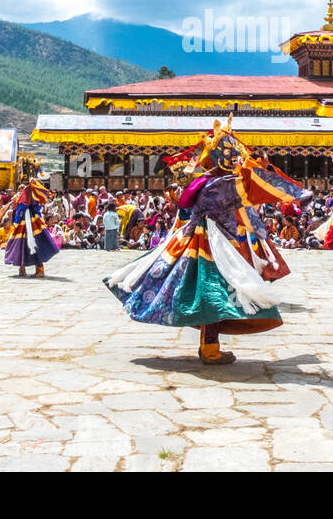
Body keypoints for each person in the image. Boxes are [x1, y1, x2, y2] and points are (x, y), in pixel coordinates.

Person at [105, 116, 310, 365]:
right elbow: (254, 185)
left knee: (210, 294)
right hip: (213, 245)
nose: (236, 157)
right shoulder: (221, 184)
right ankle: (210, 349)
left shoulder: (211, 180)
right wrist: (296, 194)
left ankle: (209, 346)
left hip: (209, 239)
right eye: (231, 153)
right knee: (213, 294)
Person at [4, 156, 61, 277]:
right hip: (34, 220)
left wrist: (17, 220)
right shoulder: (33, 190)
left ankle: (24, 269)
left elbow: (22, 207)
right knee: (33, 243)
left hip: (26, 221)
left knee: (22, 243)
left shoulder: (28, 191)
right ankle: (33, 269)